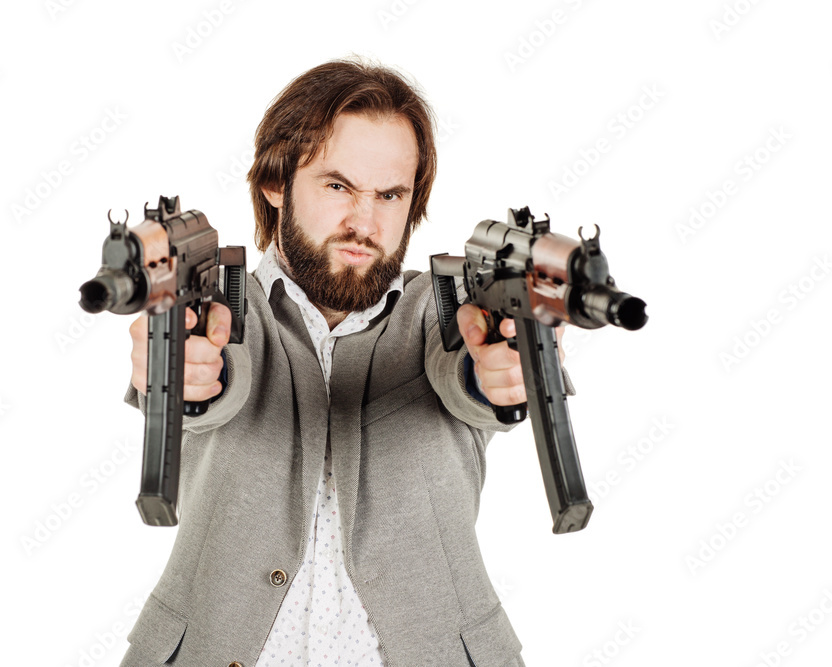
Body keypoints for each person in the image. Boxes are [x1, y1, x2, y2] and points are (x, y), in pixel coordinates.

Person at [119, 58, 567, 667]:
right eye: (338, 186)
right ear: (276, 183)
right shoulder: (223, 305)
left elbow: (468, 372)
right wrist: (180, 379)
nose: (365, 221)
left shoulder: (450, 309)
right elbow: (221, 373)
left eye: (390, 195)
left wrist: (503, 379)